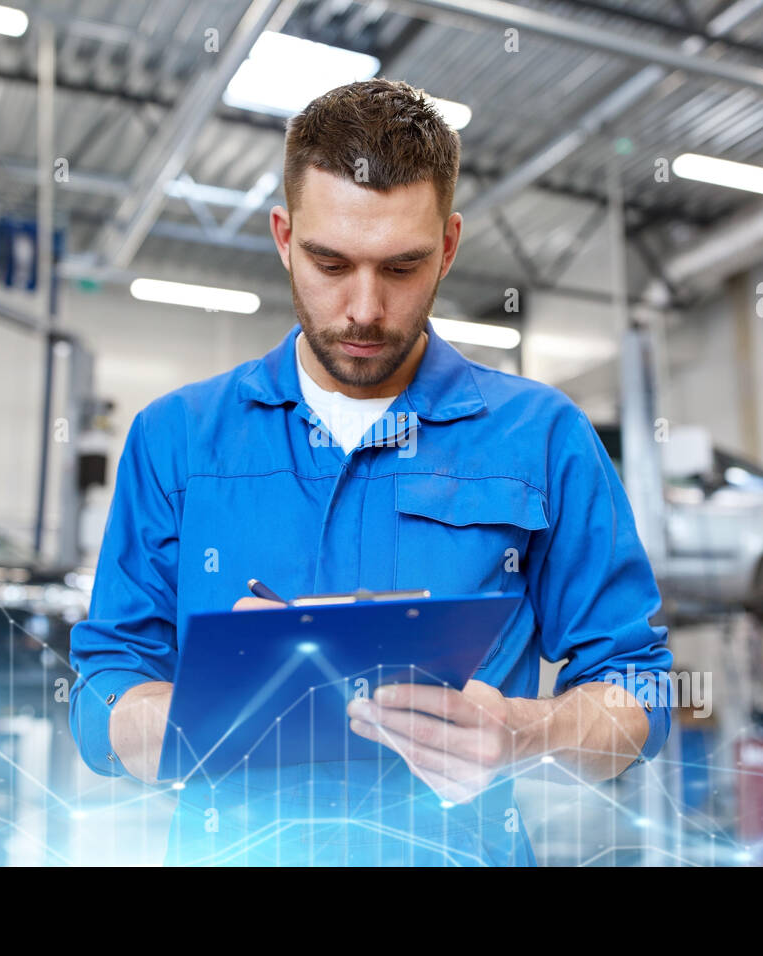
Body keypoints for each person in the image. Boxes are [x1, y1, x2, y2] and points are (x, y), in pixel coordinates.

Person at [69, 77, 672, 866]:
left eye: (401, 268)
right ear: (283, 235)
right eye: (330, 261)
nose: (363, 308)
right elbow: (101, 696)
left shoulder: (542, 437)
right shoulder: (176, 440)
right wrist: (211, 710)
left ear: (449, 247)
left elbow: (642, 688)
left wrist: (530, 730)